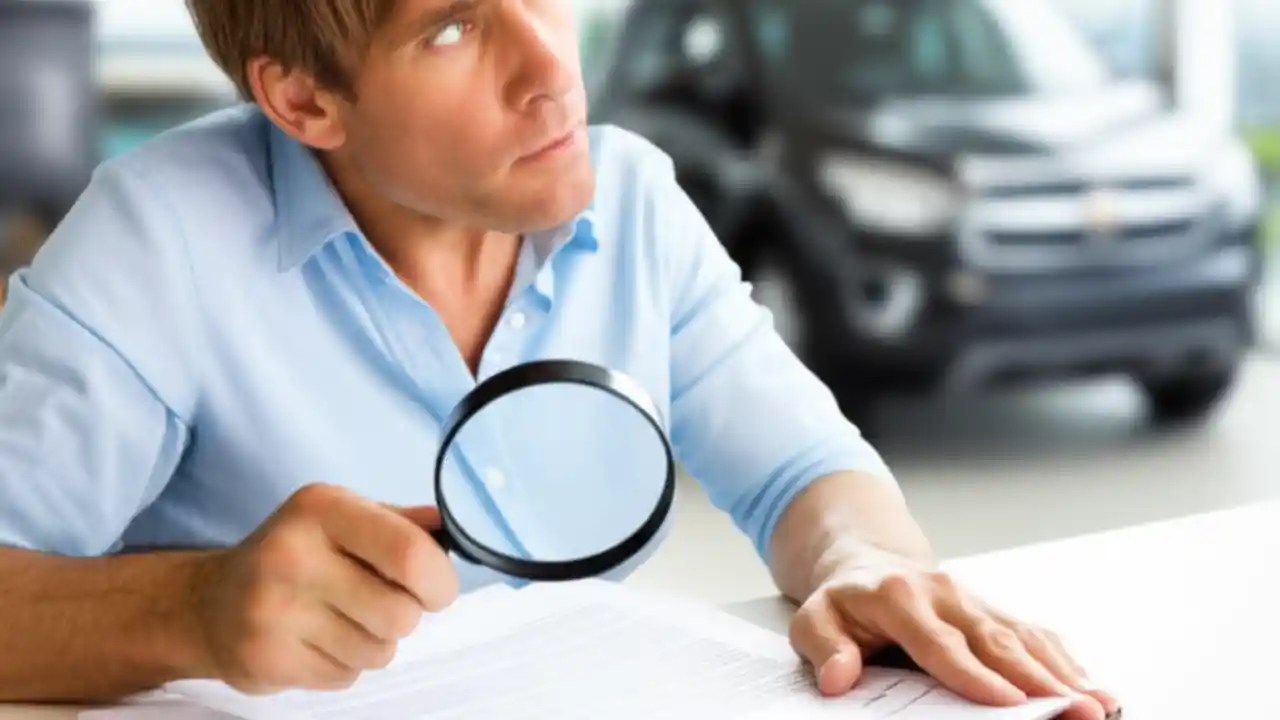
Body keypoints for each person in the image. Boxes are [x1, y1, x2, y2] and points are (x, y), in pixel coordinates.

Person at [0, 1, 1118, 717]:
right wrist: (193, 611)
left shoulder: (632, 200)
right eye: (450, 28)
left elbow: (800, 471)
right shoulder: (156, 238)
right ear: (303, 99)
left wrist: (858, 561)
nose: (551, 67)